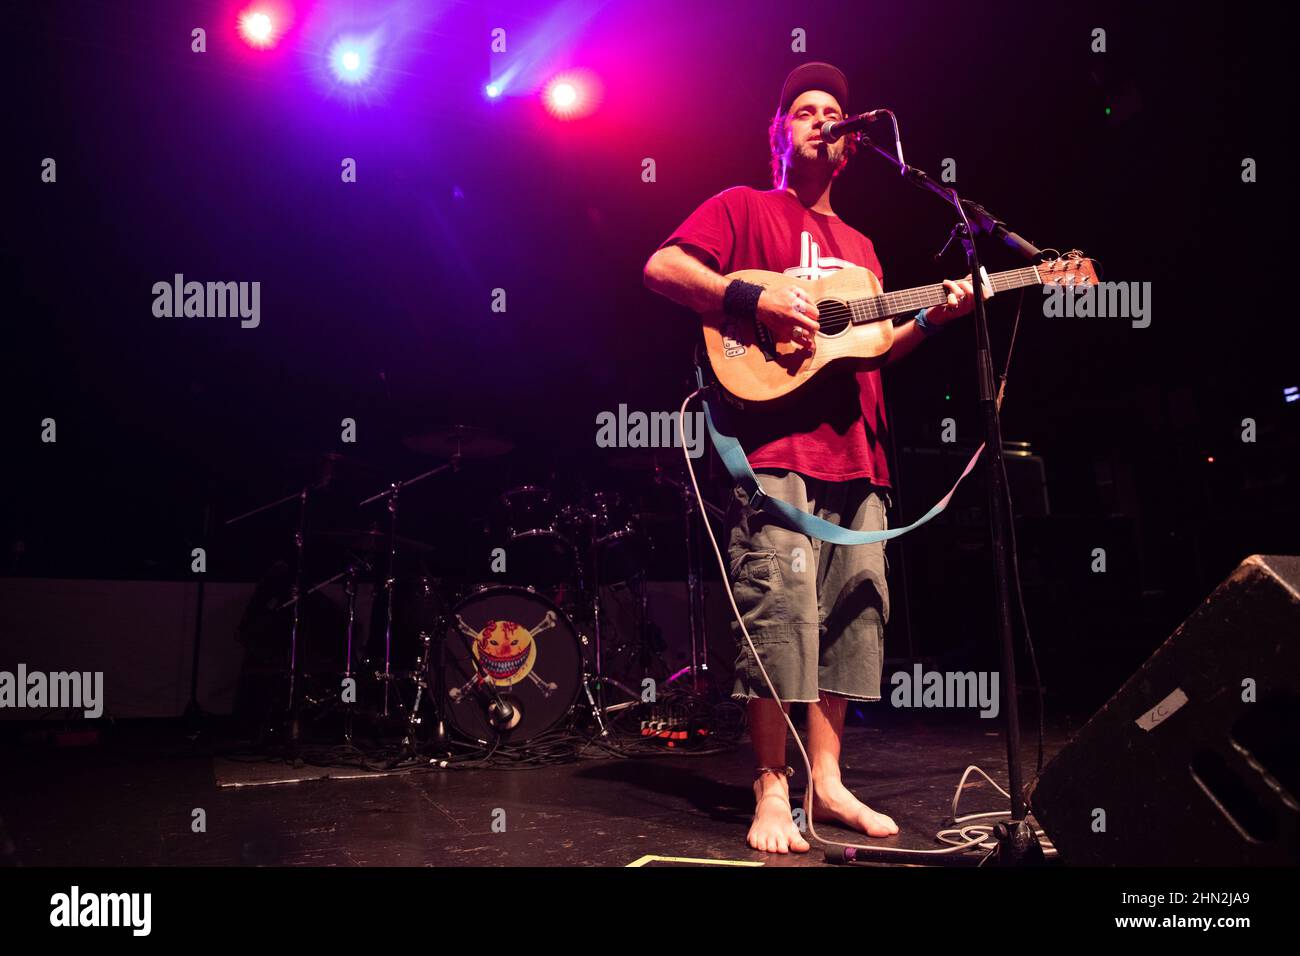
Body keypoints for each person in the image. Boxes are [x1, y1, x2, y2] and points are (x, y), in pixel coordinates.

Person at [642, 62, 991, 853]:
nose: (823, 120)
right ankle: (771, 786)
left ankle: (827, 784)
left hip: (860, 456)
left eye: (834, 114)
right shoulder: (743, 206)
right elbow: (663, 268)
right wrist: (752, 298)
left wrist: (937, 318)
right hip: (776, 451)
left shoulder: (864, 250)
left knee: (854, 616)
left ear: (851, 147)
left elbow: (869, 349)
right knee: (779, 614)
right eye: (806, 110)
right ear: (780, 132)